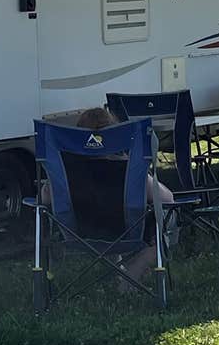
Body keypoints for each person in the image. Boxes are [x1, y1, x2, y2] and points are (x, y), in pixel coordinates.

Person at [59, 106, 177, 286]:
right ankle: (134, 271)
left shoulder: (68, 173)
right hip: (128, 232)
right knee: (168, 215)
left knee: (102, 211)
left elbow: (46, 197)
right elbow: (167, 199)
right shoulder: (129, 171)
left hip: (82, 234)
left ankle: (118, 270)